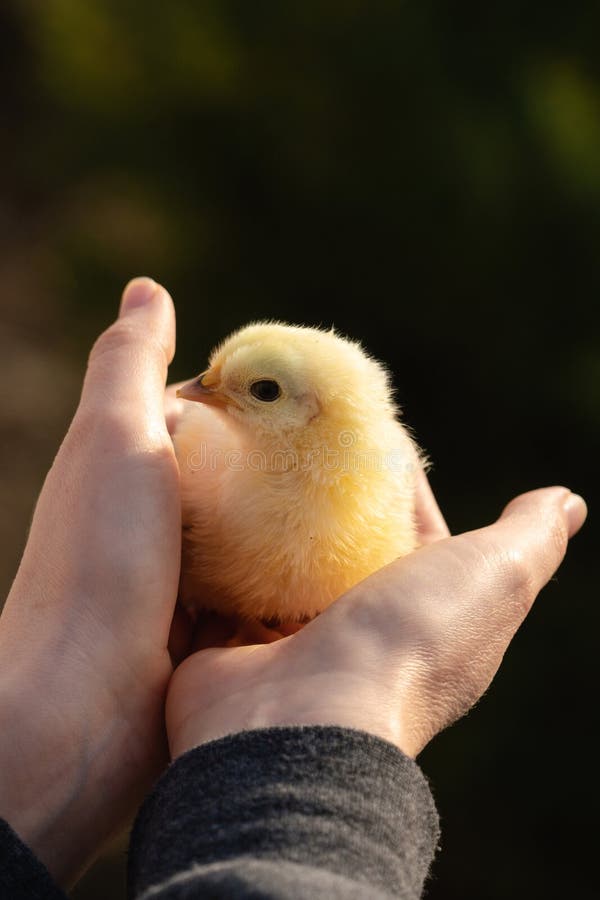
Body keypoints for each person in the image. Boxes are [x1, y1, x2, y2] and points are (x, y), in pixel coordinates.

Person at [0, 278, 587, 899]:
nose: (200, 390)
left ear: (317, 414)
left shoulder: (366, 474)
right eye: (215, 376)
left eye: (261, 391)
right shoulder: (211, 464)